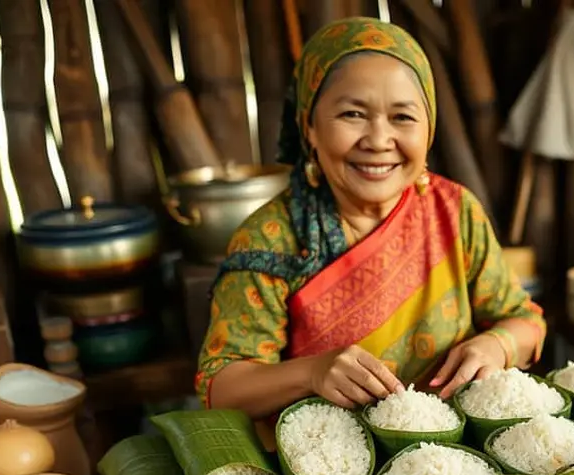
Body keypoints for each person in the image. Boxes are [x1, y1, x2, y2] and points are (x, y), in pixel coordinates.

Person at [195, 17, 545, 423]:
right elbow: (223, 387)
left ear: (428, 130)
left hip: (453, 459)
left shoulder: (454, 211)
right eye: (352, 114)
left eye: (403, 117)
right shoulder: (271, 238)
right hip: (327, 470)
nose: (379, 140)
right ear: (309, 126)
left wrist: (496, 346)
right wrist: (312, 372)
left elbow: (523, 321)